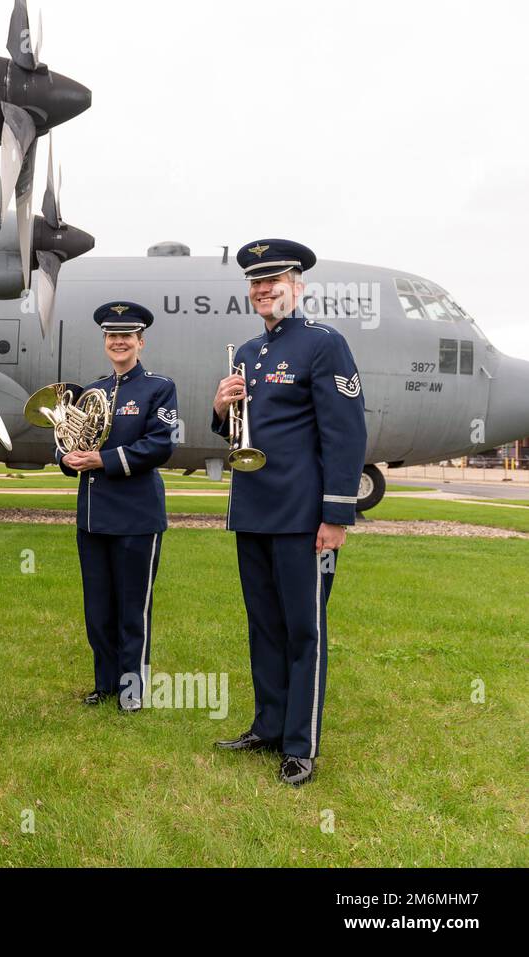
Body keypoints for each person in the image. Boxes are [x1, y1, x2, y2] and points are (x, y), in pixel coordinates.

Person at [211, 238, 367, 786]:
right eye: (255, 283)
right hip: (252, 510)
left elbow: (345, 435)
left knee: (304, 630)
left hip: (303, 516)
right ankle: (269, 726)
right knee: (265, 628)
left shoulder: (325, 344)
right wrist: (220, 406)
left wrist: (337, 516)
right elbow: (237, 435)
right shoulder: (250, 352)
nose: (263, 290)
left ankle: (301, 744)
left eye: (273, 282)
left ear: (296, 288)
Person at [57, 302, 177, 711]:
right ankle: (105, 684)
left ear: (140, 342)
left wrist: (102, 461)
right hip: (93, 516)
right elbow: (72, 444)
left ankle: (132, 690)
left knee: (132, 610)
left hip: (136, 517)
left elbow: (161, 445)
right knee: (98, 611)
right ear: (105, 342)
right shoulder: (94, 390)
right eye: (112, 336)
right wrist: (68, 458)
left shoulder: (159, 388)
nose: (119, 342)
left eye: (127, 336)